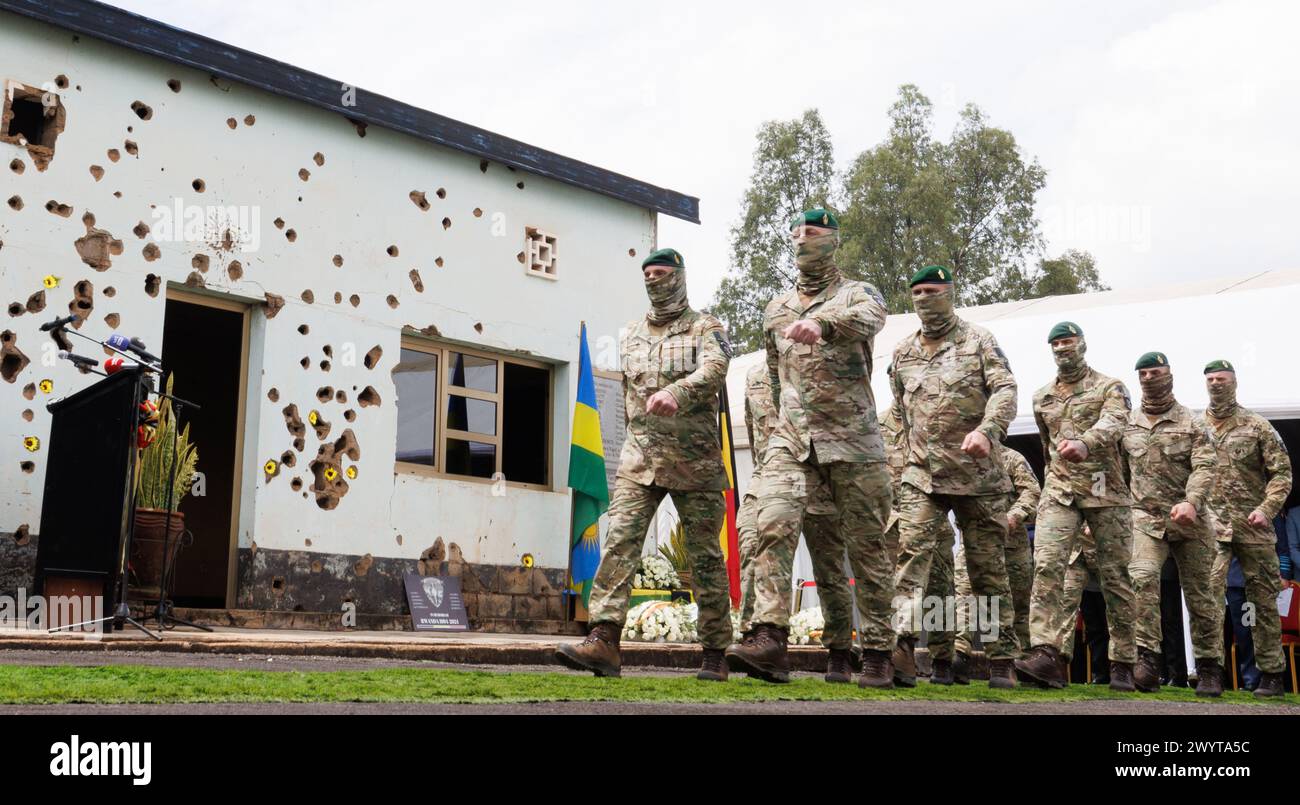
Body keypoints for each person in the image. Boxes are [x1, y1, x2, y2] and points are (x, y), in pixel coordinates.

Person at [725, 208, 897, 687]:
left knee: (867, 550)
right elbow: (777, 375)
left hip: (853, 442)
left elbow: (871, 317)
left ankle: (880, 652)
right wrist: (786, 421)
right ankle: (769, 637)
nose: (803, 240)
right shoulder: (775, 309)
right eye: (797, 232)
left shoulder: (857, 293)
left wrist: (824, 325)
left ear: (834, 241)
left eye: (814, 233)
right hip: (793, 439)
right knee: (771, 524)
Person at [555, 248, 733, 680]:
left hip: (695, 460)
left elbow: (716, 367)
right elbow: (631, 395)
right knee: (620, 542)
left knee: (706, 557)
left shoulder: (705, 327)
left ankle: (714, 652)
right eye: (648, 274)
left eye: (662, 273)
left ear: (680, 276)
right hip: (641, 458)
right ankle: (604, 640)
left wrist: (679, 393)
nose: (654, 280)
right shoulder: (631, 333)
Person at [888, 265, 1021, 689]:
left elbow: (1005, 389)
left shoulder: (979, 340)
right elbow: (899, 412)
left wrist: (988, 430)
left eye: (932, 290)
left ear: (950, 293)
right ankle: (901, 648)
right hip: (922, 476)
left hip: (978, 477)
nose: (924, 299)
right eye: (917, 292)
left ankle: (1001, 658)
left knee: (986, 572)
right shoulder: (902, 352)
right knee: (912, 556)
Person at [1016, 322, 1139, 691]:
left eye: (1068, 342)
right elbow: (1046, 445)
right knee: (1048, 565)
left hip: (1106, 492)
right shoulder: (1042, 397)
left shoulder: (1110, 387)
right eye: (1055, 343)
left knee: (1116, 576)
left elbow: (1116, 422)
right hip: (1060, 490)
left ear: (1082, 344)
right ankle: (1046, 653)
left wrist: (1086, 442)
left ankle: (1123, 661)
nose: (1062, 349)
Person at [737, 362, 858, 683]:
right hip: (769, 476)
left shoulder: (822, 365)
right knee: (752, 544)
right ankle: (759, 639)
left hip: (817, 475)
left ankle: (840, 651)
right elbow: (754, 436)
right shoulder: (755, 375)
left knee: (829, 566)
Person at [1120, 352, 1224, 696]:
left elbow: (1206, 467)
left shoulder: (1193, 423)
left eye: (1156, 372)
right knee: (1142, 577)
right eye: (1144, 373)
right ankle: (1147, 659)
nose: (1150, 378)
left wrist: (1192, 501)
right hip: (1146, 519)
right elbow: (1119, 474)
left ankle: (1209, 667)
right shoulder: (1128, 423)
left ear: (1170, 375)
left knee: (1202, 596)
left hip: (1191, 522)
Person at [1203, 358, 1293, 698]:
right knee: (1208, 601)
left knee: (1261, 604)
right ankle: (1210, 670)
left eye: (1221, 378)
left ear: (1234, 381)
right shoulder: (1198, 428)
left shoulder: (1257, 426)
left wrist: (1266, 509)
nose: (1216, 384)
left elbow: (1282, 475)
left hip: (1253, 530)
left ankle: (1271, 675)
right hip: (1213, 532)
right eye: (1210, 379)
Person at [941, 443, 1040, 683]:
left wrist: (1015, 515)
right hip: (973, 544)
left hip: (1011, 548)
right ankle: (959, 655)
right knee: (965, 598)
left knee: (1016, 606)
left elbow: (1032, 492)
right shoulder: (962, 459)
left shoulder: (1012, 459)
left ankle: (1019, 660)